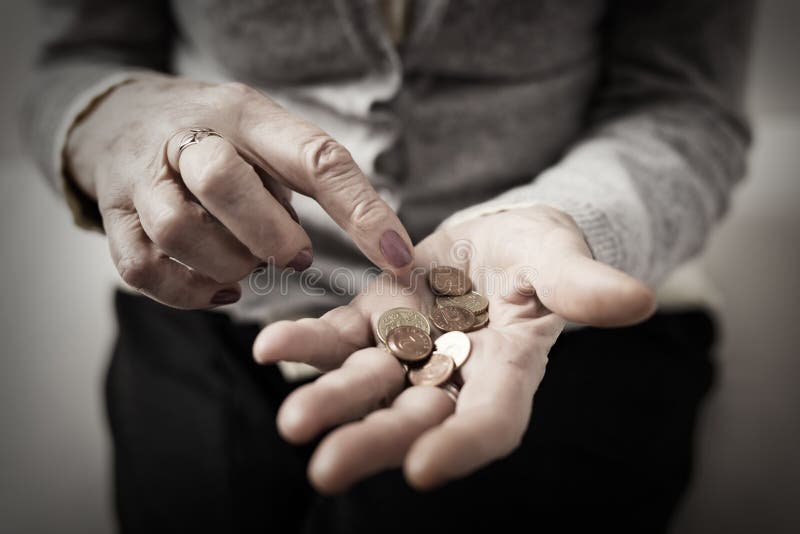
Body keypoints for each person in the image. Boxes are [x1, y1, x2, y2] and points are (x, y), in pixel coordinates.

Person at [25, 0, 753, 532]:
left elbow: (683, 103)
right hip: (213, 299)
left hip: (542, 319)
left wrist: (573, 220)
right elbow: (77, 60)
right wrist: (116, 120)